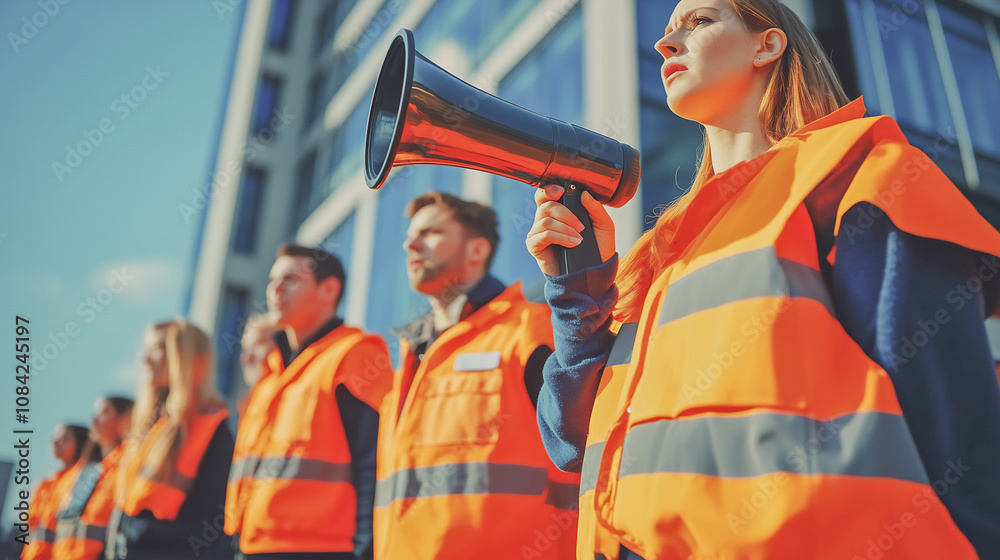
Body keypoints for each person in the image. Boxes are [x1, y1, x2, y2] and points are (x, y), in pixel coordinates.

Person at [526, 0, 1000, 558]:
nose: (665, 43)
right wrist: (576, 291)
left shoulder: (857, 170)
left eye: (699, 21)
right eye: (667, 29)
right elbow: (571, 443)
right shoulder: (657, 254)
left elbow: (956, 437)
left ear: (767, 45)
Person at [374, 192, 580, 560]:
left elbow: (582, 443)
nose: (410, 243)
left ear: (477, 250)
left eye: (431, 231)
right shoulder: (410, 355)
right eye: (410, 235)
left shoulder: (530, 330)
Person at [225, 244, 393, 560]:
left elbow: (375, 460)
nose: (275, 288)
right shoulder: (270, 375)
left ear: (329, 289)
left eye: (290, 279)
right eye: (273, 279)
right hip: (252, 547)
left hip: (325, 550)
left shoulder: (355, 353)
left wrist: (366, 549)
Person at [110, 320, 235, 559]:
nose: (145, 359)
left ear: (186, 357)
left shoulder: (214, 427)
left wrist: (140, 533)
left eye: (158, 348)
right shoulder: (154, 426)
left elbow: (210, 525)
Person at [52, 396, 133, 560]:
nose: (93, 419)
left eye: (104, 412)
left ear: (126, 418)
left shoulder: (128, 465)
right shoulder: (89, 472)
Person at [21, 424, 95, 560]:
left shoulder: (84, 479)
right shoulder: (45, 484)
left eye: (65, 439)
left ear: (81, 442)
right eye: (55, 438)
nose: (55, 442)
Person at [235, 313, 280, 416]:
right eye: (245, 349)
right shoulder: (249, 406)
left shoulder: (290, 395)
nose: (245, 358)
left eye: (257, 344)